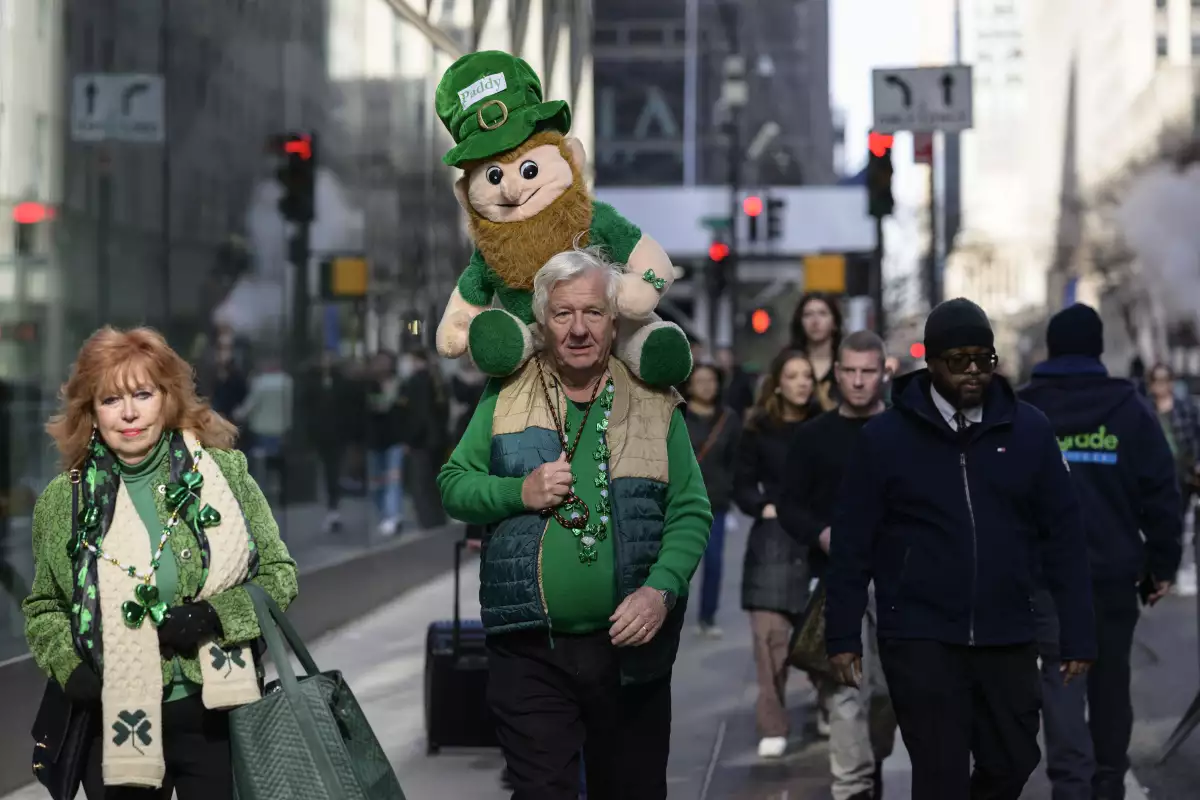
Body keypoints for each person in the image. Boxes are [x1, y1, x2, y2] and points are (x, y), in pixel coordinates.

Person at [438, 246, 712, 800]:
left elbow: (690, 510)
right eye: (563, 314)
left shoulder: (655, 401)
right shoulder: (507, 392)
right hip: (529, 650)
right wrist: (518, 490)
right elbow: (453, 483)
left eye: (593, 313)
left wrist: (661, 590)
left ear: (616, 322)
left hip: (632, 654)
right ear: (543, 320)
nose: (578, 329)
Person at [824, 298, 1097, 799]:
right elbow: (852, 540)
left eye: (983, 359)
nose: (973, 371)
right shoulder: (885, 439)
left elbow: (1065, 537)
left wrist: (1078, 631)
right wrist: (841, 633)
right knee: (939, 774)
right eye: (958, 360)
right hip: (920, 635)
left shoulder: (1029, 429)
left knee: (1014, 761)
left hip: (1009, 629)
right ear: (931, 363)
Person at [23, 326, 299, 800]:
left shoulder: (225, 475)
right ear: (90, 412)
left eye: (142, 394)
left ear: (167, 399)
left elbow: (279, 576)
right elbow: (44, 607)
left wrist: (214, 615)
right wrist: (71, 669)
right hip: (114, 725)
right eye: (110, 400)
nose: (128, 413)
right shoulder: (60, 502)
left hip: (216, 720)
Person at [1018, 304, 1181, 800]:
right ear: (1097, 350)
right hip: (1113, 573)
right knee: (1111, 680)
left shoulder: (1024, 411)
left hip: (1046, 577)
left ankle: (1071, 785)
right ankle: (1108, 779)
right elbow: (1161, 491)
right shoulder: (1130, 411)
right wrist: (1161, 565)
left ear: (1050, 348)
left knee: (1061, 678)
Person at [779, 331, 897, 799]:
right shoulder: (814, 436)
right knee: (846, 694)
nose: (858, 381)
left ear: (883, 372)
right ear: (837, 372)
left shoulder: (902, 432)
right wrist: (821, 534)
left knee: (886, 695)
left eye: (868, 371)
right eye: (849, 371)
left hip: (895, 584)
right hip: (835, 582)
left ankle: (872, 768)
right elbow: (790, 505)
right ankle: (853, 787)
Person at [733, 349, 821, 756]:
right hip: (772, 540)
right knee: (769, 639)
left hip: (818, 540)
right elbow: (742, 483)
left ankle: (827, 701)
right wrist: (762, 506)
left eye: (807, 375)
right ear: (778, 382)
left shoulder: (826, 425)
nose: (802, 382)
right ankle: (773, 721)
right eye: (793, 375)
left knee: (820, 633)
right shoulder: (757, 428)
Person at [683, 363, 742, 637]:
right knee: (678, 560)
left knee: (714, 562)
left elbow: (735, 460)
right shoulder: (677, 414)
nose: (706, 385)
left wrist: (729, 490)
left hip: (714, 502)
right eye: (700, 380)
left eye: (711, 380)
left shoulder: (728, 419)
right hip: (679, 501)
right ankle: (667, 613)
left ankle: (708, 616)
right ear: (689, 385)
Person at [365, 350, 407, 536]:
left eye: (385, 362)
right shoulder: (368, 385)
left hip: (395, 439)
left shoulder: (400, 384)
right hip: (374, 440)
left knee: (393, 480)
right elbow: (372, 407)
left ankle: (393, 516)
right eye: (378, 362)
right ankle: (385, 515)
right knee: (376, 483)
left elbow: (404, 411)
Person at [789, 292, 843, 411]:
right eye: (808, 315)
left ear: (835, 323)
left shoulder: (846, 364)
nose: (815, 321)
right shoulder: (788, 362)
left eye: (822, 314)